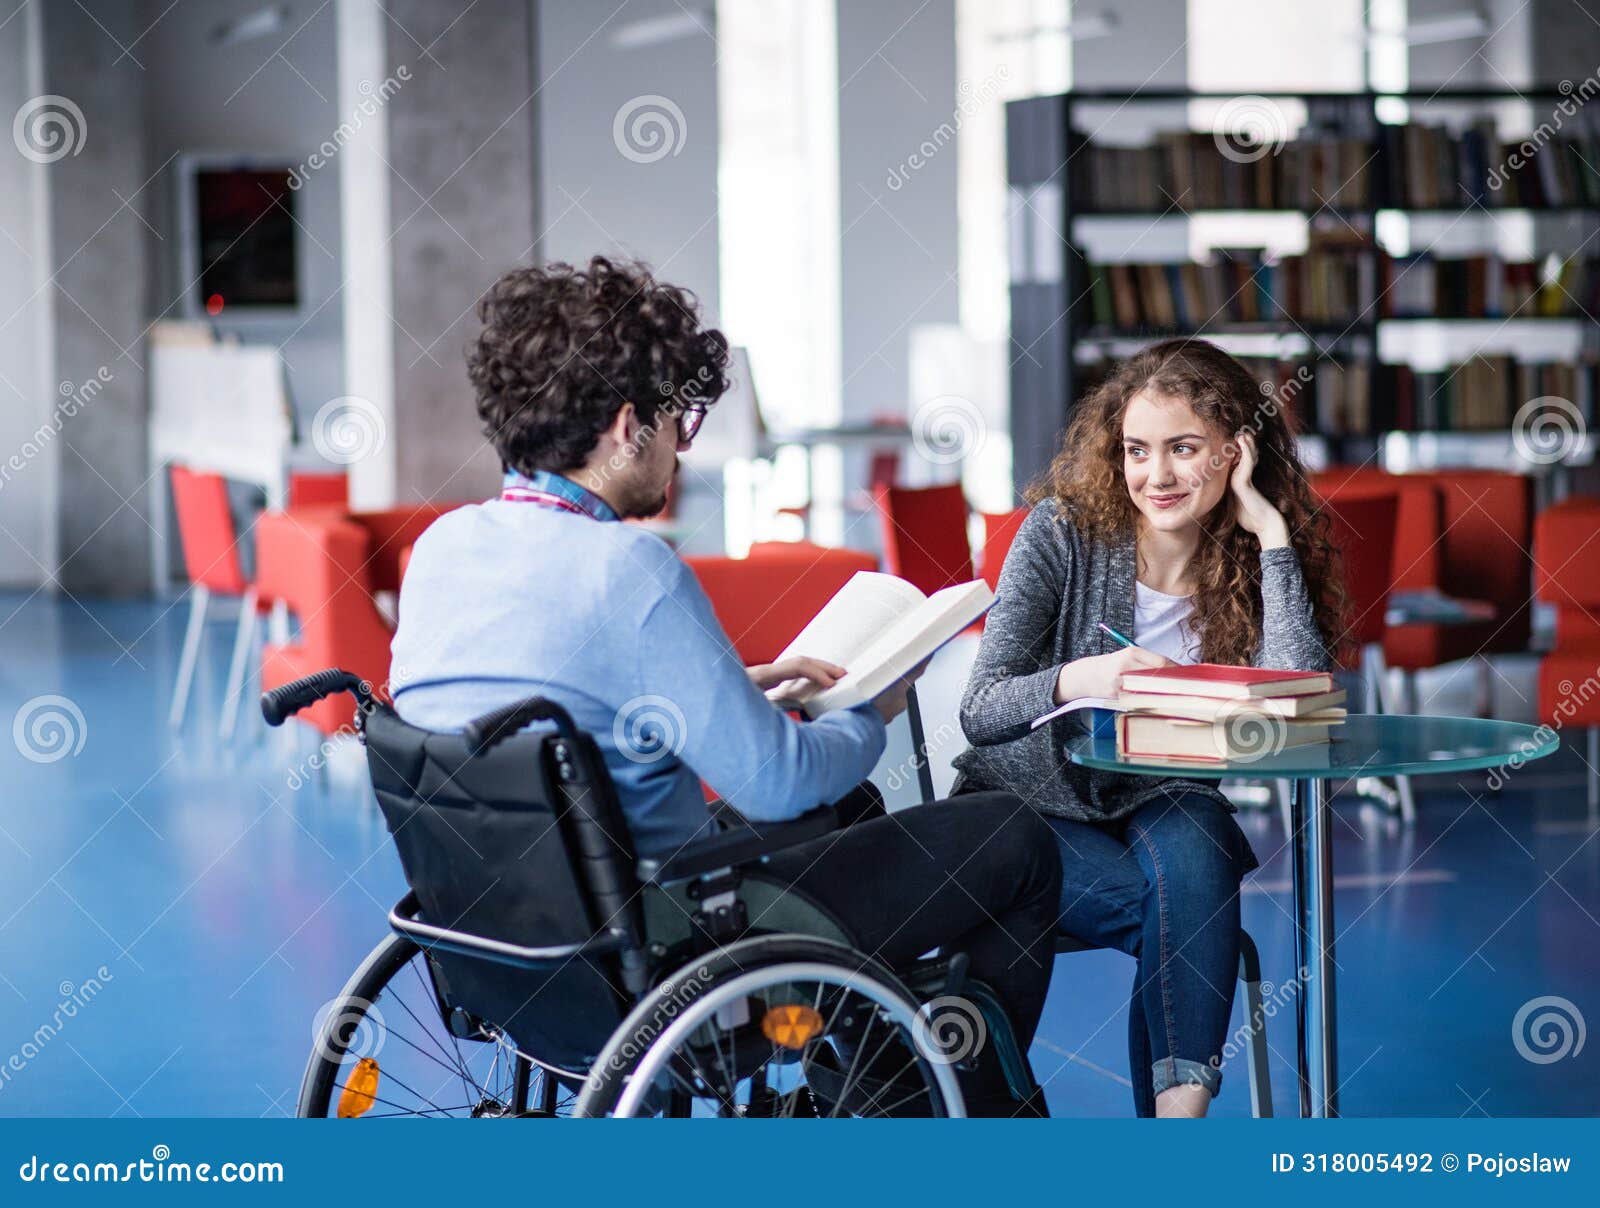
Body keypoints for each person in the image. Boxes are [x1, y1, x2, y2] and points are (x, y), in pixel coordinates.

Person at [390, 255, 1061, 1116]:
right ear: (629, 425)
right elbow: (779, 782)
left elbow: (537, 708)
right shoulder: (630, 567)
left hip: (503, 941)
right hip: (669, 940)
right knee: (1012, 839)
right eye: (681, 419)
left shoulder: (447, 546)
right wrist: (871, 710)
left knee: (847, 814)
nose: (682, 444)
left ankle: (863, 1087)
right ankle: (923, 1113)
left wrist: (727, 688)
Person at [952, 338, 1346, 1118]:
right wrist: (1080, 680)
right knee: (1186, 903)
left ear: (1236, 451)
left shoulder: (1249, 556)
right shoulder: (1060, 533)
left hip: (1162, 793)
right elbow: (981, 707)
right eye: (1138, 450)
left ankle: (1174, 1135)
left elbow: (1293, 706)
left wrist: (1270, 534)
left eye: (1183, 449)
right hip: (1024, 811)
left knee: (1197, 839)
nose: (1155, 476)